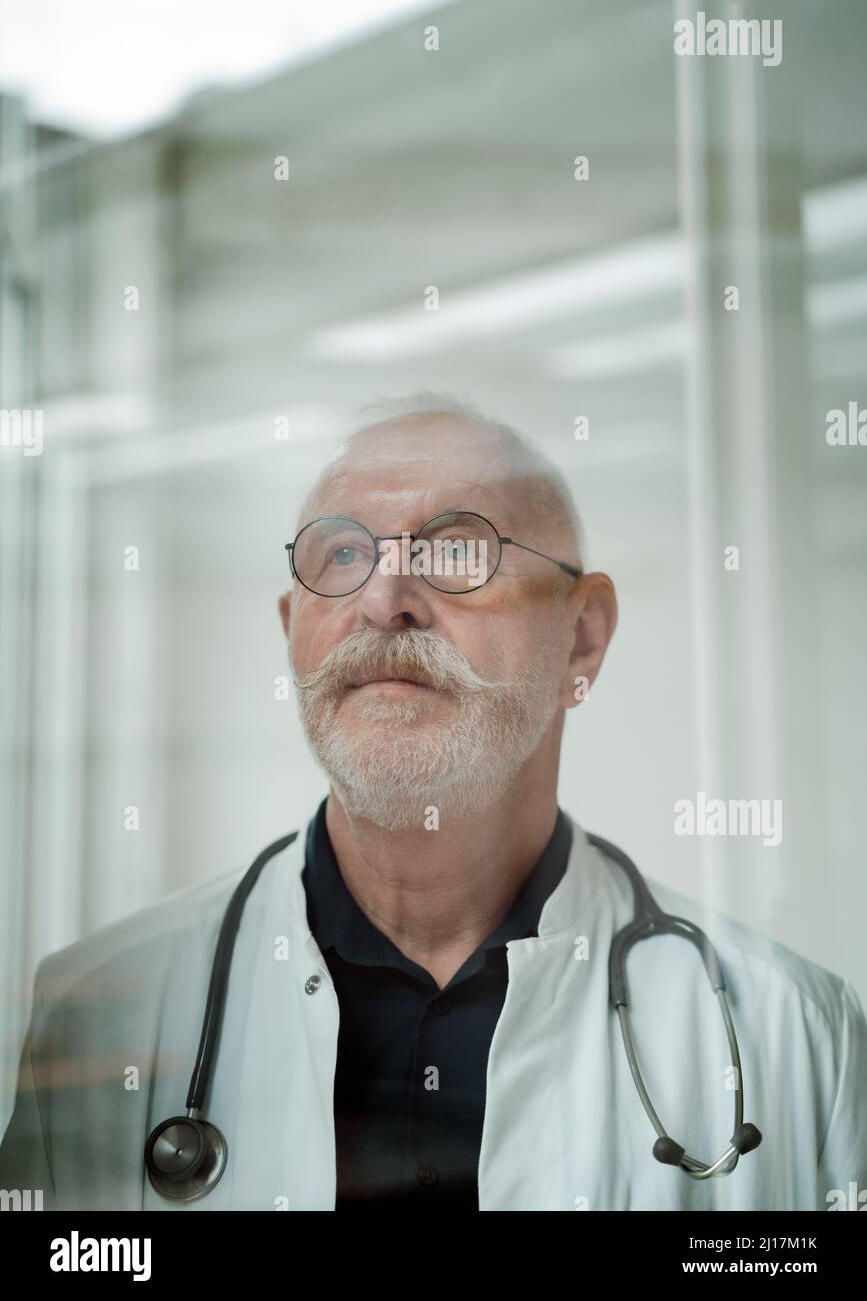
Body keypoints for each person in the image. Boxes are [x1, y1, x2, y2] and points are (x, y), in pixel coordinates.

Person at [1, 394, 865, 1211]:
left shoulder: (793, 1035)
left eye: (456, 550)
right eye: (341, 555)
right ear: (289, 630)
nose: (383, 600)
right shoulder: (99, 1008)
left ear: (582, 636)